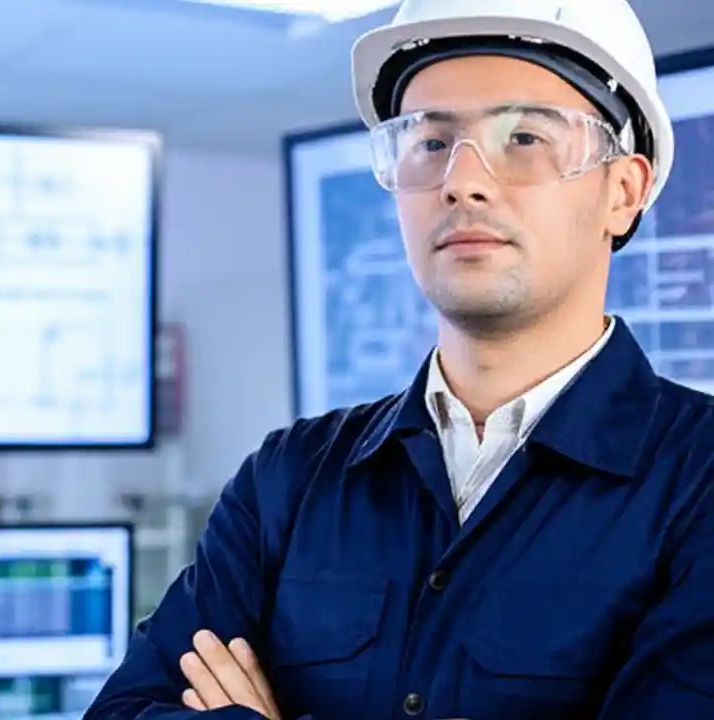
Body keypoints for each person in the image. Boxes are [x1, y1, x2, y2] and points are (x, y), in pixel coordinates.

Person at [85, 0, 714, 718]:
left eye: (525, 138)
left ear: (624, 192)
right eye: (430, 143)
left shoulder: (698, 480)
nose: (462, 181)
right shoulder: (289, 479)